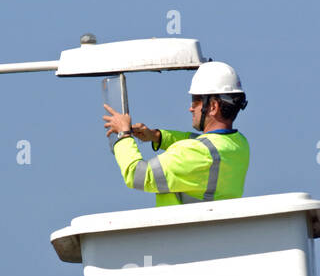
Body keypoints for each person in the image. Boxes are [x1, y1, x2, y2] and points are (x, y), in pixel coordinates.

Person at [102, 60, 250, 207]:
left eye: (195, 101)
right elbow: (202, 142)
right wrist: (157, 136)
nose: (190, 109)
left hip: (181, 231)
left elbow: (137, 175)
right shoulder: (239, 144)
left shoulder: (198, 153)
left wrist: (124, 134)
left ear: (213, 106)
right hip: (208, 229)